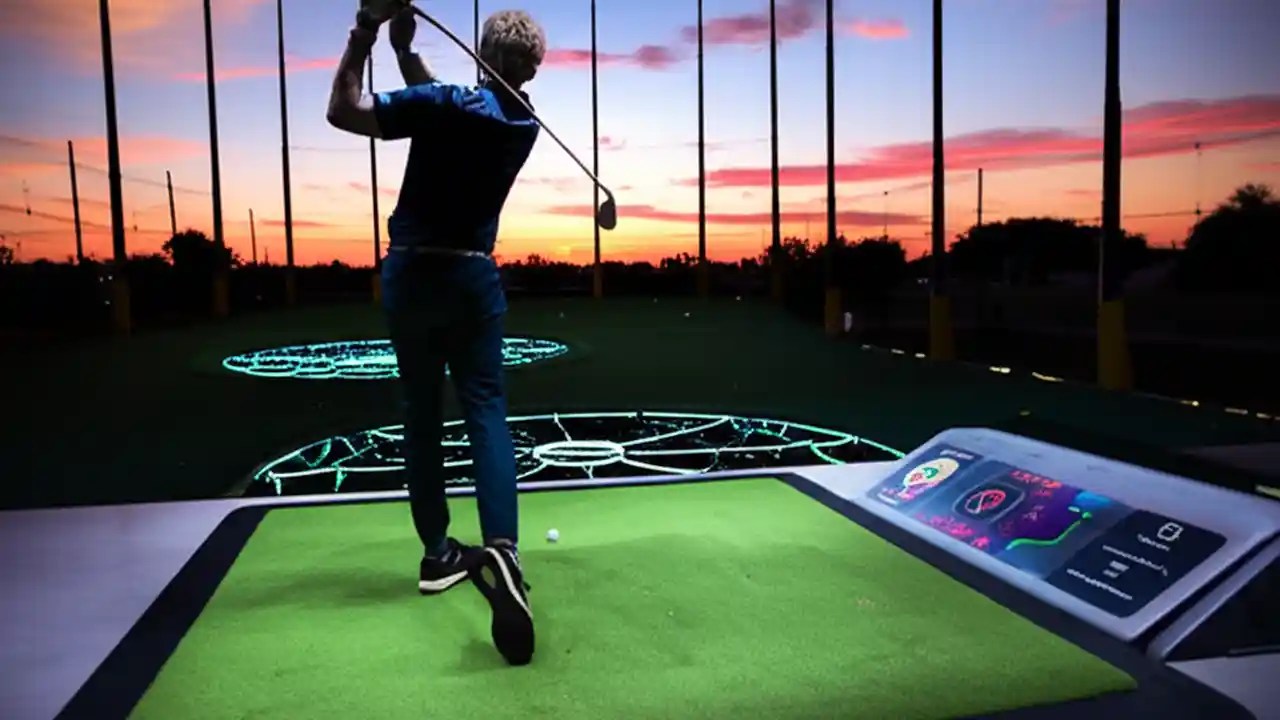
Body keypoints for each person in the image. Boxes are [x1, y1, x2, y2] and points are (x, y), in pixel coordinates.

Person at [326, 1, 544, 666]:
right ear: (532, 69)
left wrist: (365, 37)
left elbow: (345, 110)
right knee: (487, 413)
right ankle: (501, 551)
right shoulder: (524, 122)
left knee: (422, 417)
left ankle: (437, 555)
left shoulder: (446, 102)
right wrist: (404, 50)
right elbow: (454, 101)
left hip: (412, 276)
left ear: (481, 55)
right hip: (473, 279)